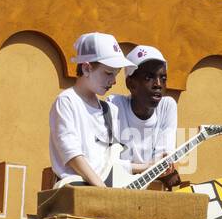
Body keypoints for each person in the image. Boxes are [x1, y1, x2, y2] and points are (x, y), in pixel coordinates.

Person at [49, 33, 138, 187]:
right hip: (76, 191)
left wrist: (150, 165)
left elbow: (111, 164)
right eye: (108, 73)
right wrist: (101, 188)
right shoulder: (67, 101)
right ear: (86, 68)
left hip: (103, 192)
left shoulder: (110, 110)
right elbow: (71, 153)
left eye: (116, 74)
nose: (114, 81)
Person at [111, 45, 180, 187]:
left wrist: (157, 167)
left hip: (150, 187)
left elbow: (162, 163)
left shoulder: (167, 107)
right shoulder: (115, 106)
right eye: (149, 77)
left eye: (163, 78)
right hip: (118, 188)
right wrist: (147, 167)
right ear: (130, 83)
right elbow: (109, 163)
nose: (158, 84)